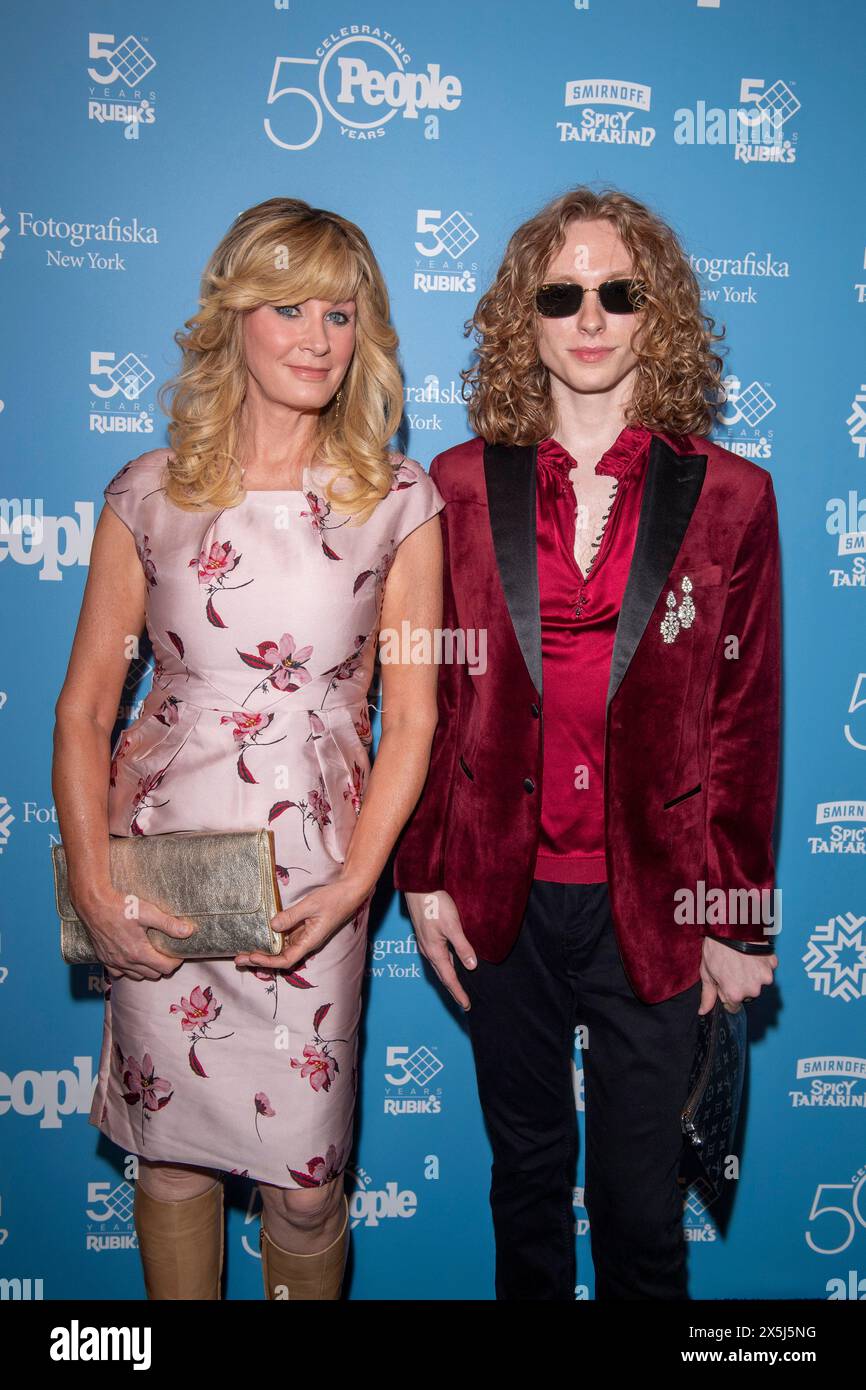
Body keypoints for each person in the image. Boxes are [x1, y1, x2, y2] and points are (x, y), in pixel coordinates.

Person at [52, 197, 444, 1300]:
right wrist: (93, 883)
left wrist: (358, 883)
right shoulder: (148, 493)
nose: (318, 338)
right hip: (163, 870)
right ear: (235, 316)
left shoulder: (398, 502)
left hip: (315, 876)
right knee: (170, 1161)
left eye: (340, 312)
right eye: (288, 308)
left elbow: (409, 715)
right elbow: (84, 709)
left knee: (308, 1183)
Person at [393, 185, 781, 1300]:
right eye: (561, 294)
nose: (591, 316)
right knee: (523, 1189)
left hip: (653, 902)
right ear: (527, 317)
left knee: (638, 1209)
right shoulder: (458, 485)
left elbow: (741, 723)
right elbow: (426, 691)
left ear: (655, 312)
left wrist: (733, 918)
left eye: (619, 290)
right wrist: (423, 872)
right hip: (496, 892)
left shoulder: (730, 497)